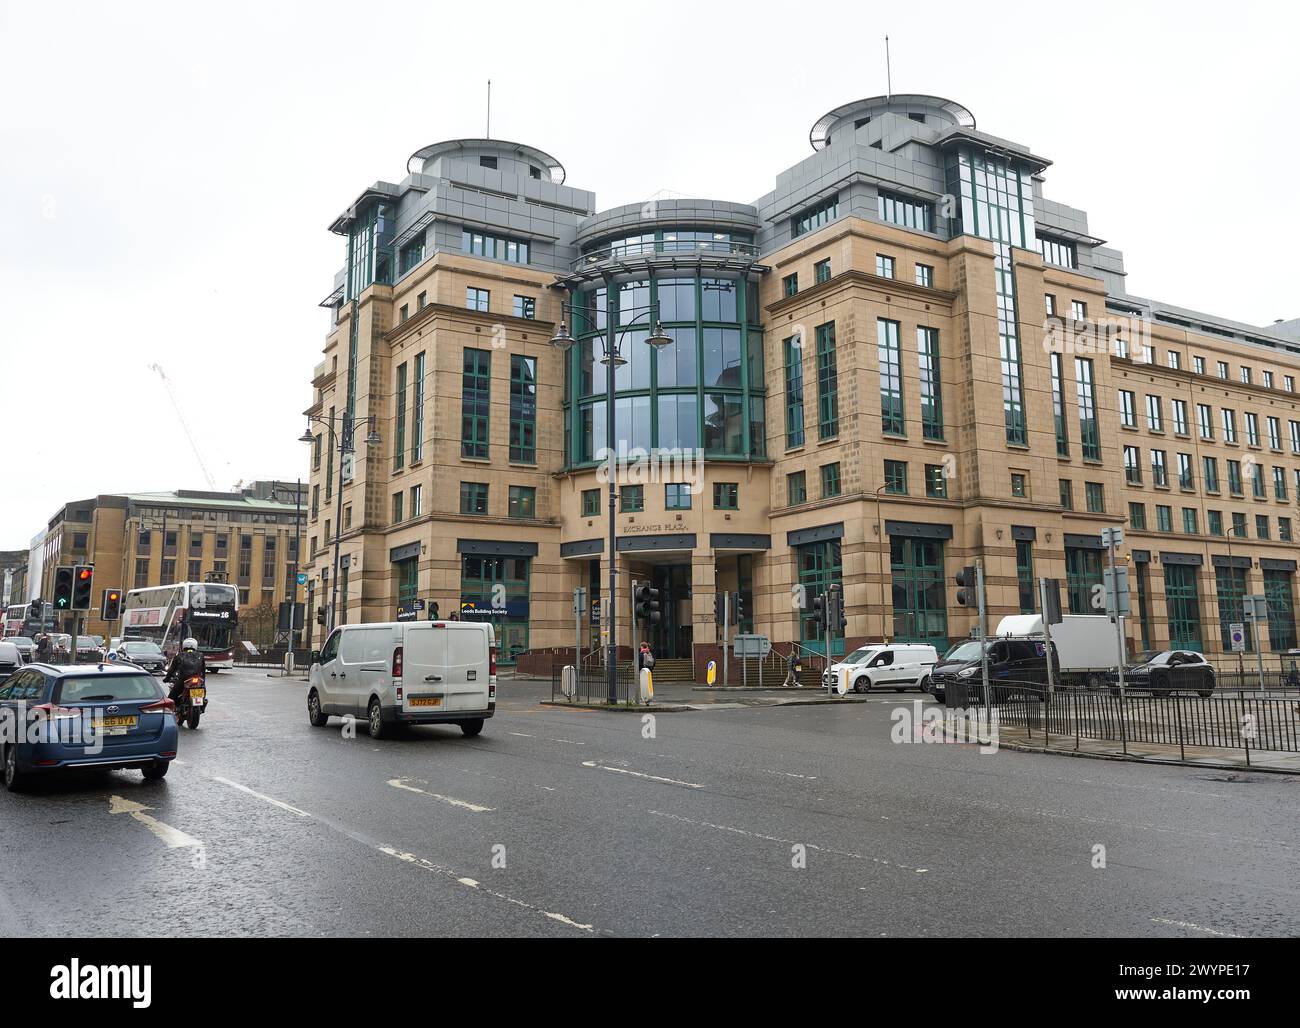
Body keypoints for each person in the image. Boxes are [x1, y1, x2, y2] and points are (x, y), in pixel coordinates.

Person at [164, 637, 206, 705]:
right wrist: (203, 680)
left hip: (184, 680)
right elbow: (203, 670)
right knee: (203, 692)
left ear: (184, 645)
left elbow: (172, 669)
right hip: (198, 679)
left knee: (171, 697)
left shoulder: (179, 655)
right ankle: (202, 704)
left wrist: (167, 679)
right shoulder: (201, 655)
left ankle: (170, 710)